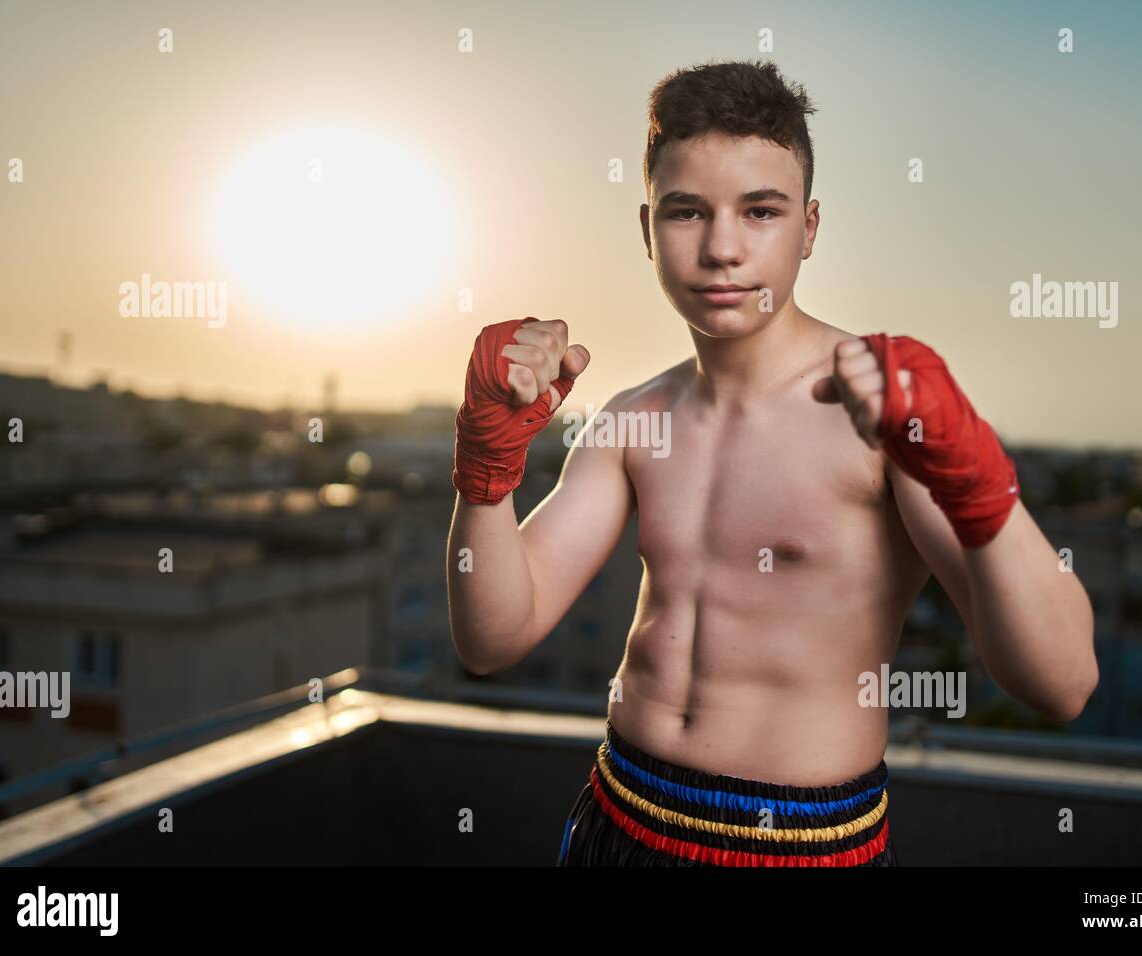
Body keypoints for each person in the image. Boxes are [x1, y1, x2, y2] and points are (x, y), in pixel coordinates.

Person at [446, 60, 1098, 867]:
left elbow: (1063, 685)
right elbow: (493, 637)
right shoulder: (633, 419)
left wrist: (977, 481)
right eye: (687, 212)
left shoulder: (884, 414)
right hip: (618, 824)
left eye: (760, 211)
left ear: (811, 228)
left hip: (804, 850)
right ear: (647, 231)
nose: (722, 248)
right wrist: (486, 467)